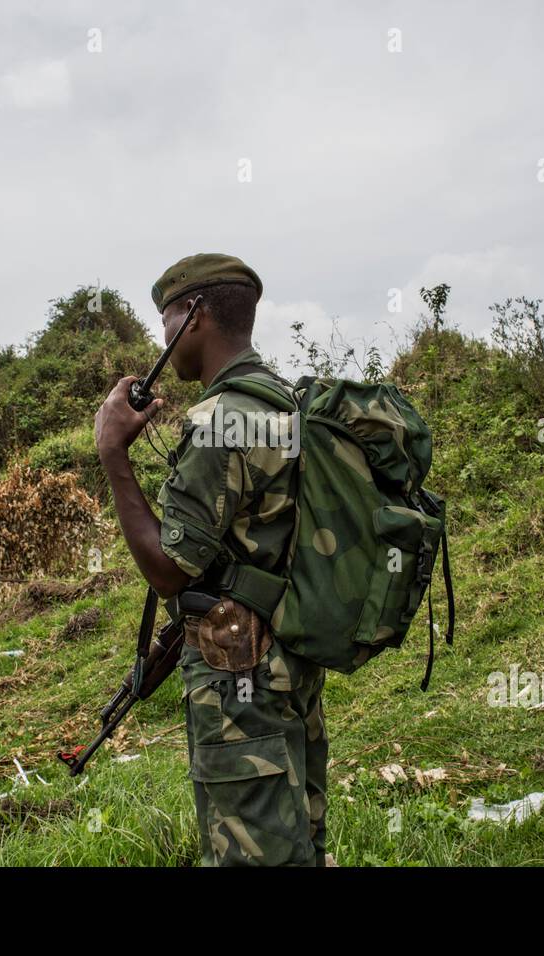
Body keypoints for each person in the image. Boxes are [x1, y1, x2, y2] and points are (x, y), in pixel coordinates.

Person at [93, 253, 328, 867]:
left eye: (166, 320)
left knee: (248, 857)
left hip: (240, 681)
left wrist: (113, 453)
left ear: (193, 316)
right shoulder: (283, 405)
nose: (161, 338)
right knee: (297, 845)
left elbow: (170, 568)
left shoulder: (222, 422)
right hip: (291, 665)